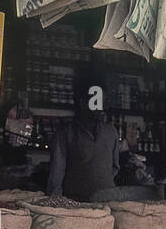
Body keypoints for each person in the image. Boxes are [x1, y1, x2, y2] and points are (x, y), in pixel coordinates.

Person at [46, 69, 120, 202]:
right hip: (77, 205)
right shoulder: (65, 134)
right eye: (96, 102)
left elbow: (115, 168)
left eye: (102, 101)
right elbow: (55, 177)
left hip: (107, 205)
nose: (100, 107)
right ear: (82, 103)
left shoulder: (111, 132)